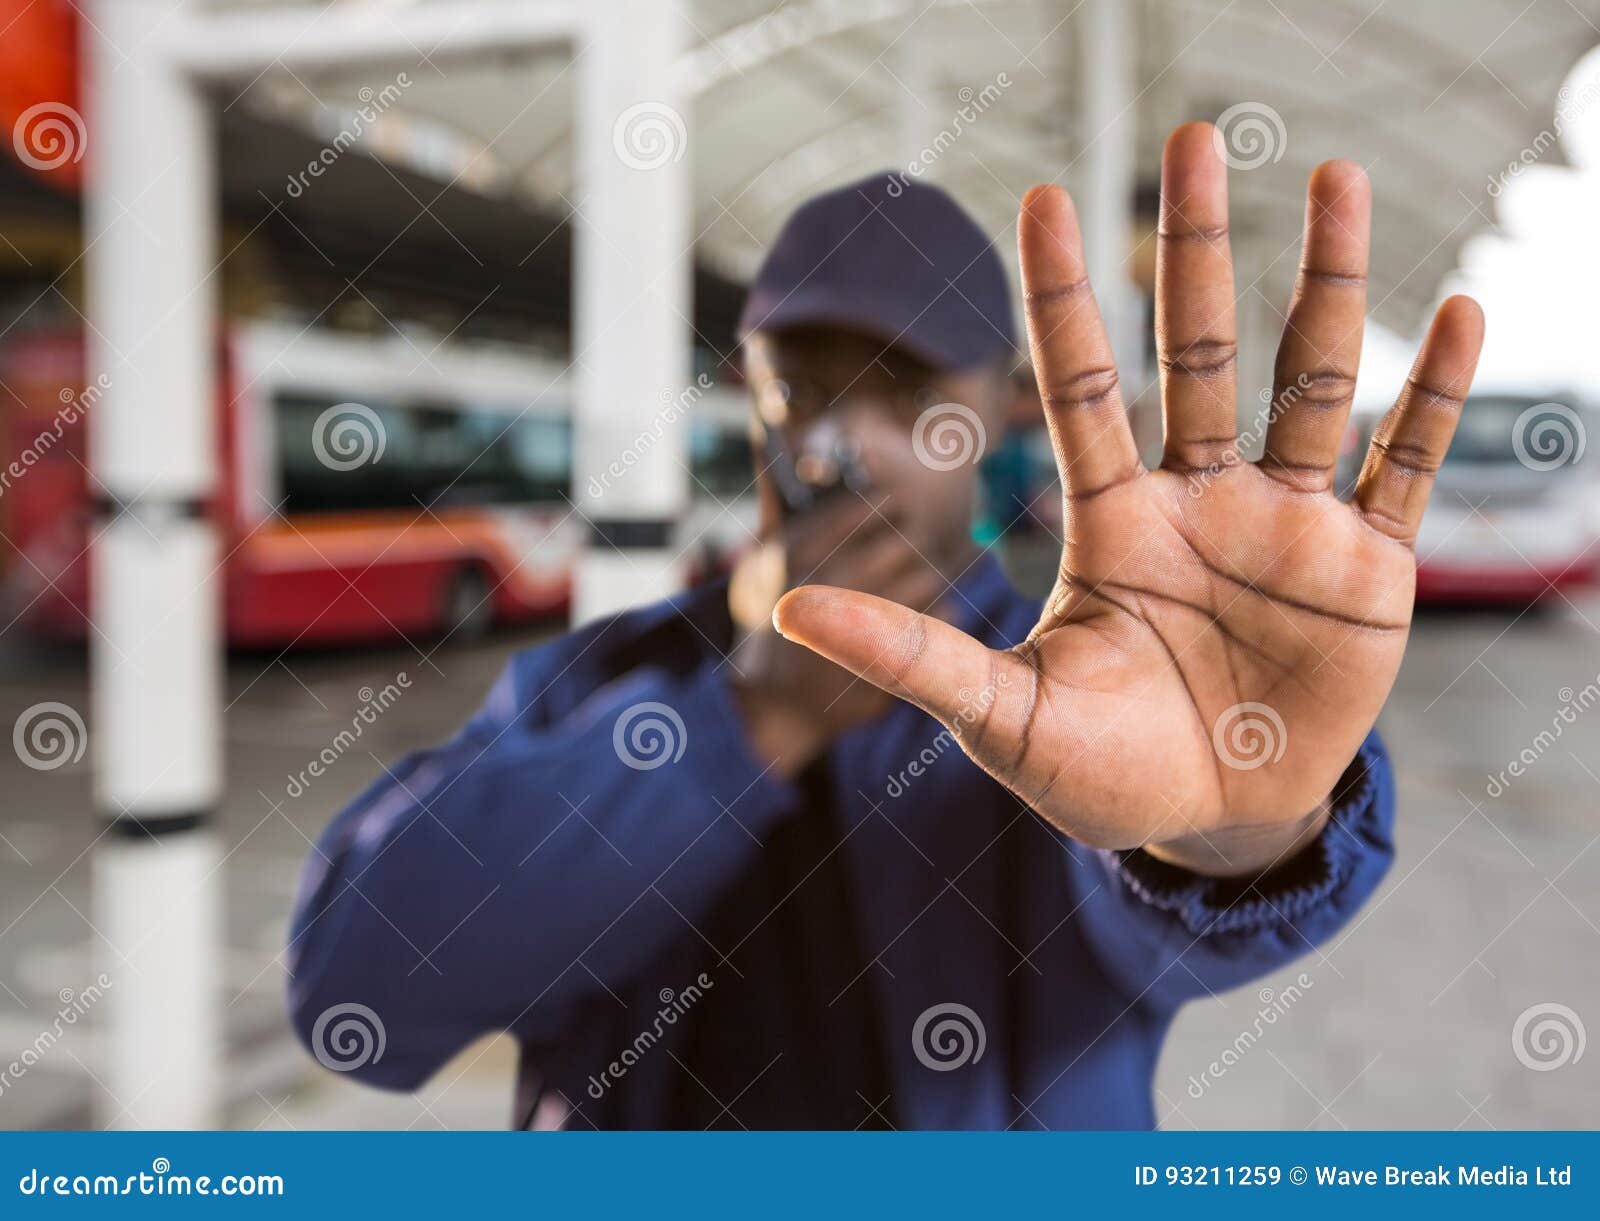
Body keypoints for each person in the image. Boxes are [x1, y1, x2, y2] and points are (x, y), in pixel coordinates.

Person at [285, 123, 1484, 1129]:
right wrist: (748, 717)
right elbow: (365, 992)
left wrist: (1237, 817)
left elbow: (1165, 931)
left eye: (908, 396)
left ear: (1005, 405)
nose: (840, 442)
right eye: (797, 389)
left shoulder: (1070, 684)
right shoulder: (604, 676)